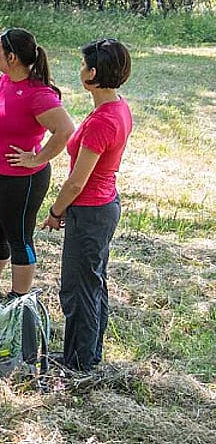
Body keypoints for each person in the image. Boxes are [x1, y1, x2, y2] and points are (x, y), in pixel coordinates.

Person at [41, 38, 133, 372]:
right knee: (92, 282)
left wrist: (55, 211)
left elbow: (77, 181)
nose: (80, 70)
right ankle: (88, 353)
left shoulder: (102, 121)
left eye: (83, 65)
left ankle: (77, 363)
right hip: (103, 205)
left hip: (91, 210)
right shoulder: (116, 106)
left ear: (92, 74)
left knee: (78, 288)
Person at [0, 28, 74, 302]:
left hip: (20, 180)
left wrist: (38, 158)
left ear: (13, 57)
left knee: (19, 238)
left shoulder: (38, 94)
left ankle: (19, 297)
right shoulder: (5, 81)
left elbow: (65, 130)